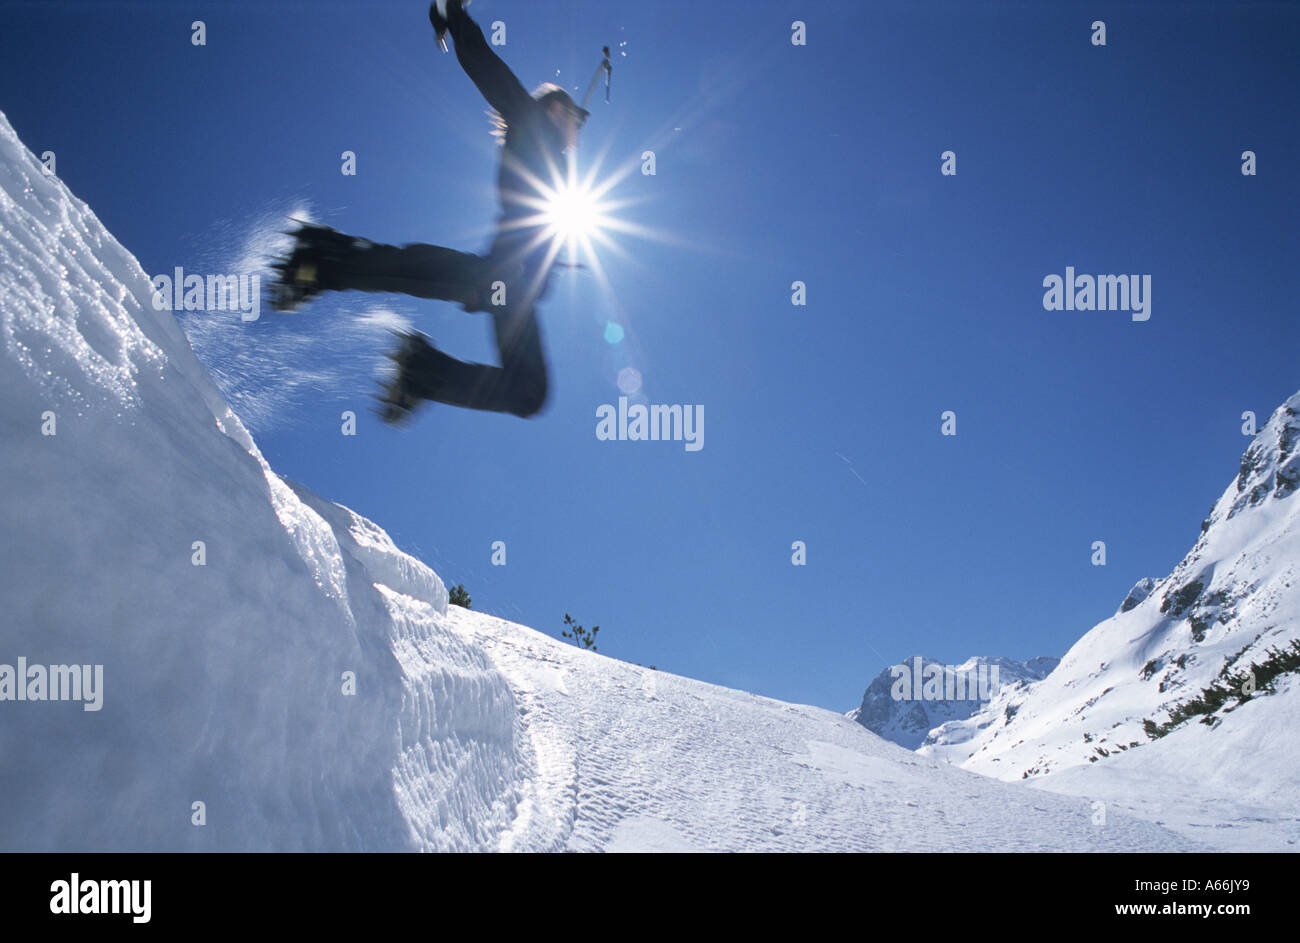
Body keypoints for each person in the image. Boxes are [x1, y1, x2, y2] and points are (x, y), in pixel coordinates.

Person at [269, 0, 588, 423]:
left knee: (529, 393)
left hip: (513, 295)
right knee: (412, 271)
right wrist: (453, 13)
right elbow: (487, 69)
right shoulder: (533, 124)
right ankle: (320, 258)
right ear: (557, 109)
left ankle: (423, 372)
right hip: (499, 278)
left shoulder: (553, 161)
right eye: (578, 119)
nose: (579, 131)